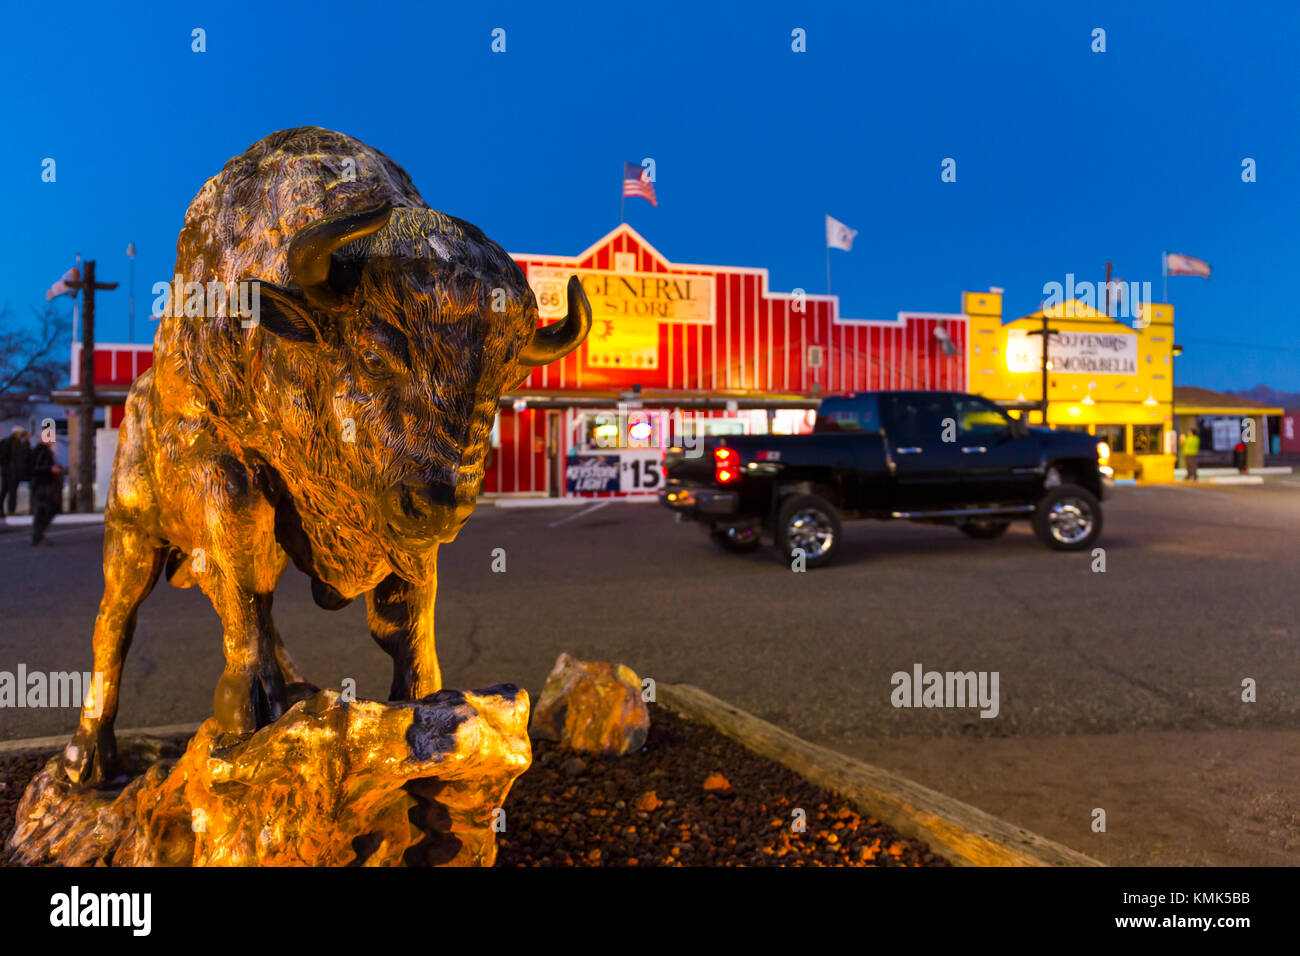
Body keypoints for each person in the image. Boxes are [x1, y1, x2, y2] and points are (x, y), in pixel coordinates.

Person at [29, 434, 63, 545]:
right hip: (43, 484)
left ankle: (38, 535)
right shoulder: (41, 450)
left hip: (43, 483)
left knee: (45, 509)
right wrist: (50, 469)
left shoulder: (43, 450)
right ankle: (37, 536)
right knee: (47, 509)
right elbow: (35, 468)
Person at [1, 427, 32, 517]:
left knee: (4, 491)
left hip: (6, 471)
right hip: (13, 472)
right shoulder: (16, 442)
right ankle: (11, 510)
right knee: (12, 492)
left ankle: (2, 510)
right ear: (17, 433)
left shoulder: (5, 441)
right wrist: (26, 442)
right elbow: (21, 455)